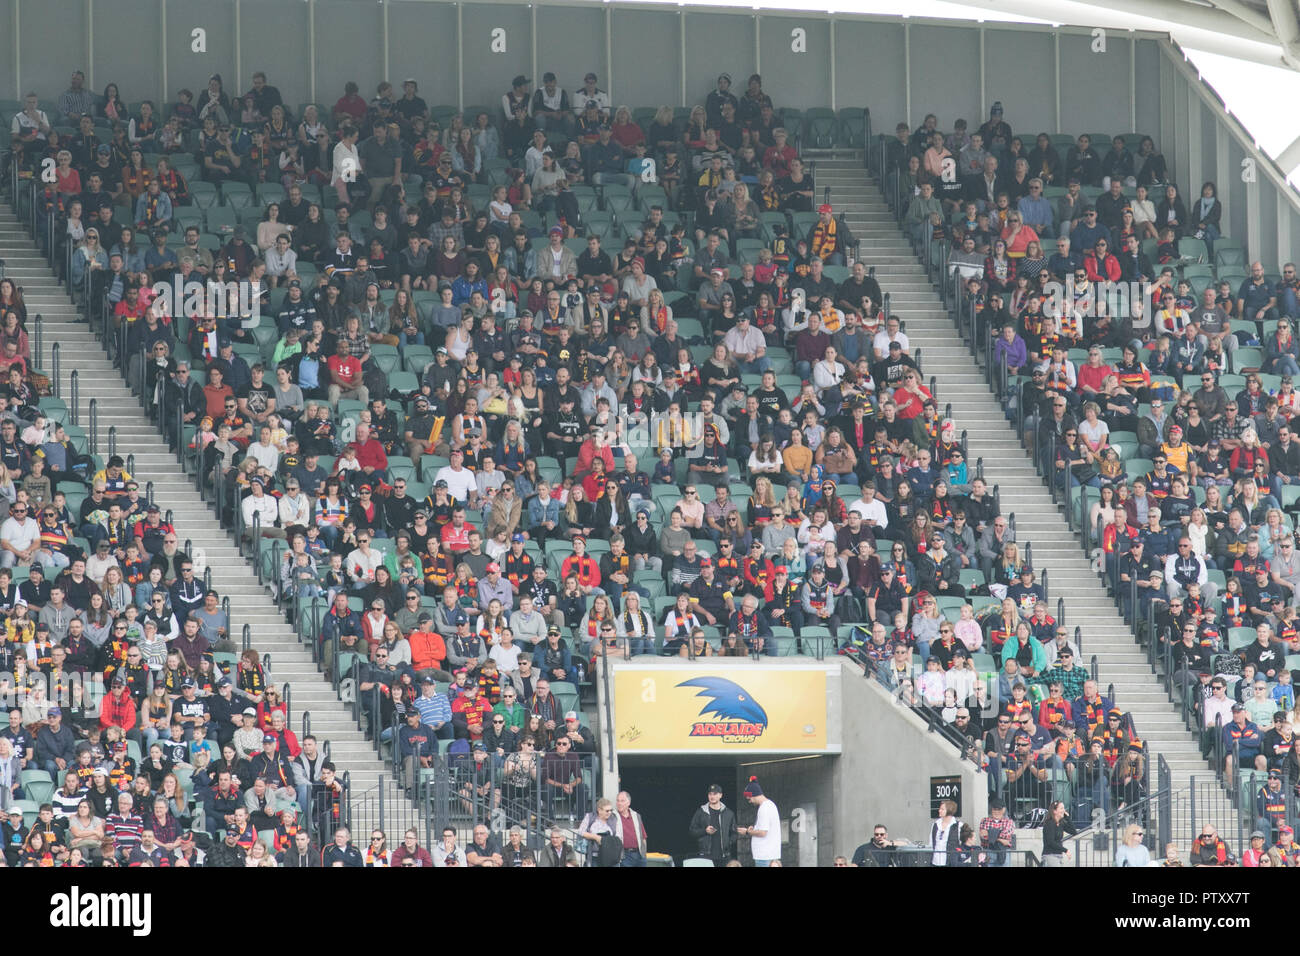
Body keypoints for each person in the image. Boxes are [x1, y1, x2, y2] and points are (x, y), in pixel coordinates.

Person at [689, 783, 737, 866]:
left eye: (715, 794)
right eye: (710, 794)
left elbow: (734, 833)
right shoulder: (701, 812)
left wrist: (728, 843)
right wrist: (705, 831)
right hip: (705, 855)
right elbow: (692, 831)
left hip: (724, 856)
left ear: (720, 795)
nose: (712, 796)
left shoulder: (729, 813)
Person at [738, 775, 780, 867]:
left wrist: (747, 832)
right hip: (770, 854)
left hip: (764, 855)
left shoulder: (764, 808)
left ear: (753, 795)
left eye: (749, 799)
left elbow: (762, 832)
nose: (749, 801)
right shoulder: (770, 805)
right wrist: (753, 829)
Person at [1040, 800, 1076, 866]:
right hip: (1050, 855)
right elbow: (1051, 842)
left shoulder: (1061, 823)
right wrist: (1065, 850)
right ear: (1054, 811)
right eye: (1061, 808)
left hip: (1059, 855)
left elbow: (1073, 832)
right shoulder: (1049, 824)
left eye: (1064, 808)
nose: (1064, 810)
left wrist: (1067, 818)